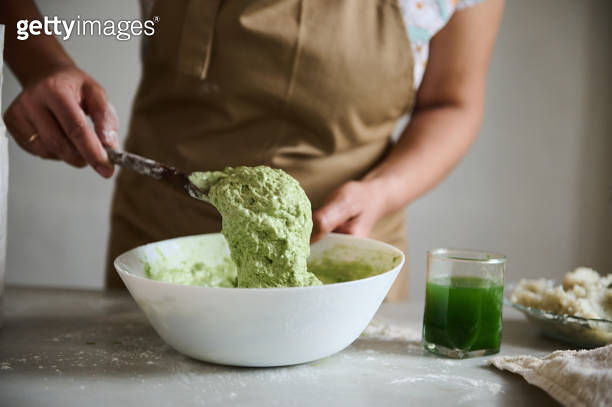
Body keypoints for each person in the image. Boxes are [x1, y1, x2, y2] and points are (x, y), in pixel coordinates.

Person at [1, 0, 504, 300]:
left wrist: (381, 192)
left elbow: (452, 103)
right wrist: (39, 58)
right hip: (164, 242)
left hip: (345, 253)